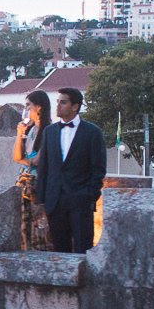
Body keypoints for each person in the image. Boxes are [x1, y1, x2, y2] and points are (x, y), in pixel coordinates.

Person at [34, 87, 106, 253]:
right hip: (55, 202)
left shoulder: (92, 132)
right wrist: (42, 200)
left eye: (63, 102)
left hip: (80, 202)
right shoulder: (49, 131)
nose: (58, 106)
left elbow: (98, 169)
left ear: (75, 106)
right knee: (60, 250)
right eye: (57, 101)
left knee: (83, 249)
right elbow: (44, 167)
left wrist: (88, 196)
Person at [11, 90, 52, 249]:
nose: (26, 108)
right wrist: (19, 134)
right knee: (23, 225)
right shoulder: (31, 130)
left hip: (37, 184)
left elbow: (36, 160)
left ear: (39, 107)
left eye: (28, 105)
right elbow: (16, 157)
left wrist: (25, 160)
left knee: (38, 225)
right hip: (24, 183)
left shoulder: (48, 130)